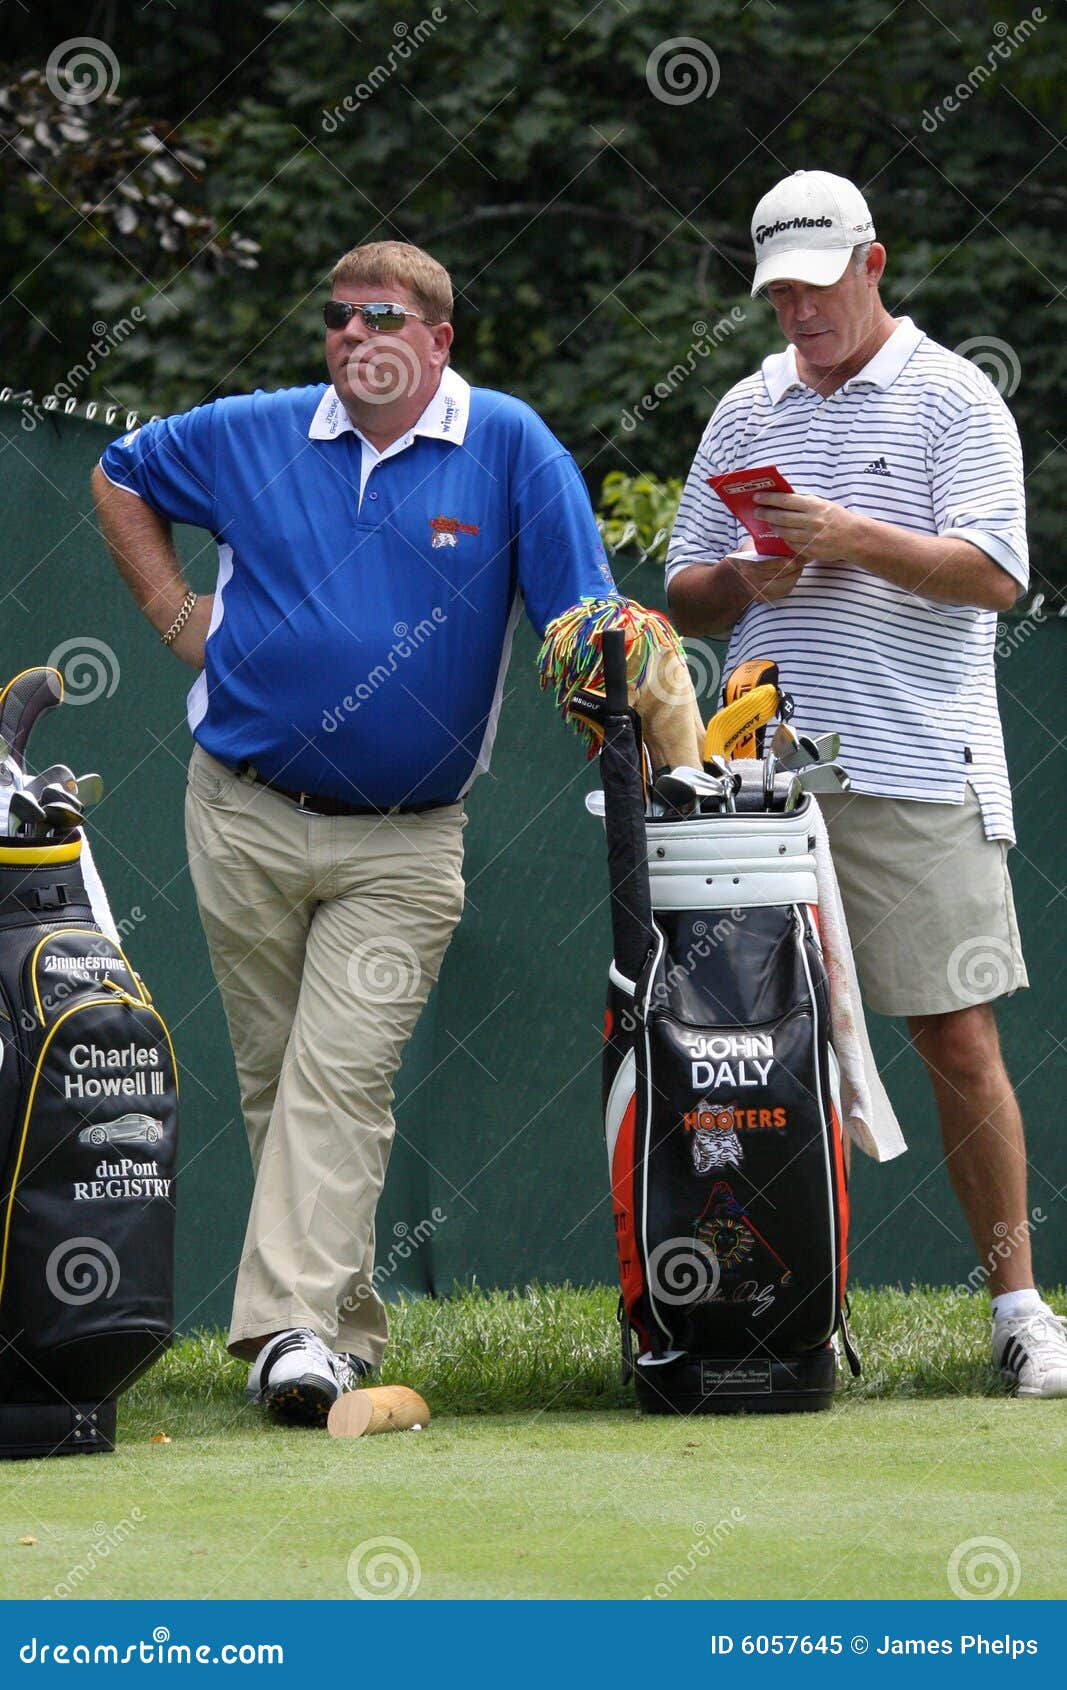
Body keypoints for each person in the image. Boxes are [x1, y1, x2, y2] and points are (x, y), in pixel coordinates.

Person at [92, 240, 618, 1424]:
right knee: (280, 1085)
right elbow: (121, 472)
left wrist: (613, 692)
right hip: (238, 810)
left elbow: (580, 618)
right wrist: (178, 611)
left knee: (340, 1078)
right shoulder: (257, 428)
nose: (352, 337)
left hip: (405, 841)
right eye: (336, 319)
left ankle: (285, 1335)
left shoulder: (511, 448)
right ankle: (337, 1326)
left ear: (438, 339)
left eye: (381, 318)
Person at [666, 170, 1067, 1398]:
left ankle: (1016, 1310)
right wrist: (747, 580)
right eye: (776, 292)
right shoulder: (744, 407)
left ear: (872, 265)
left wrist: (844, 539)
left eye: (815, 285)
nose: (795, 312)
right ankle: (772, 1310)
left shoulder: (954, 397)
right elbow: (681, 582)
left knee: (953, 1039)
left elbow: (996, 575)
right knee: (744, 1051)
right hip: (753, 779)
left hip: (912, 765)